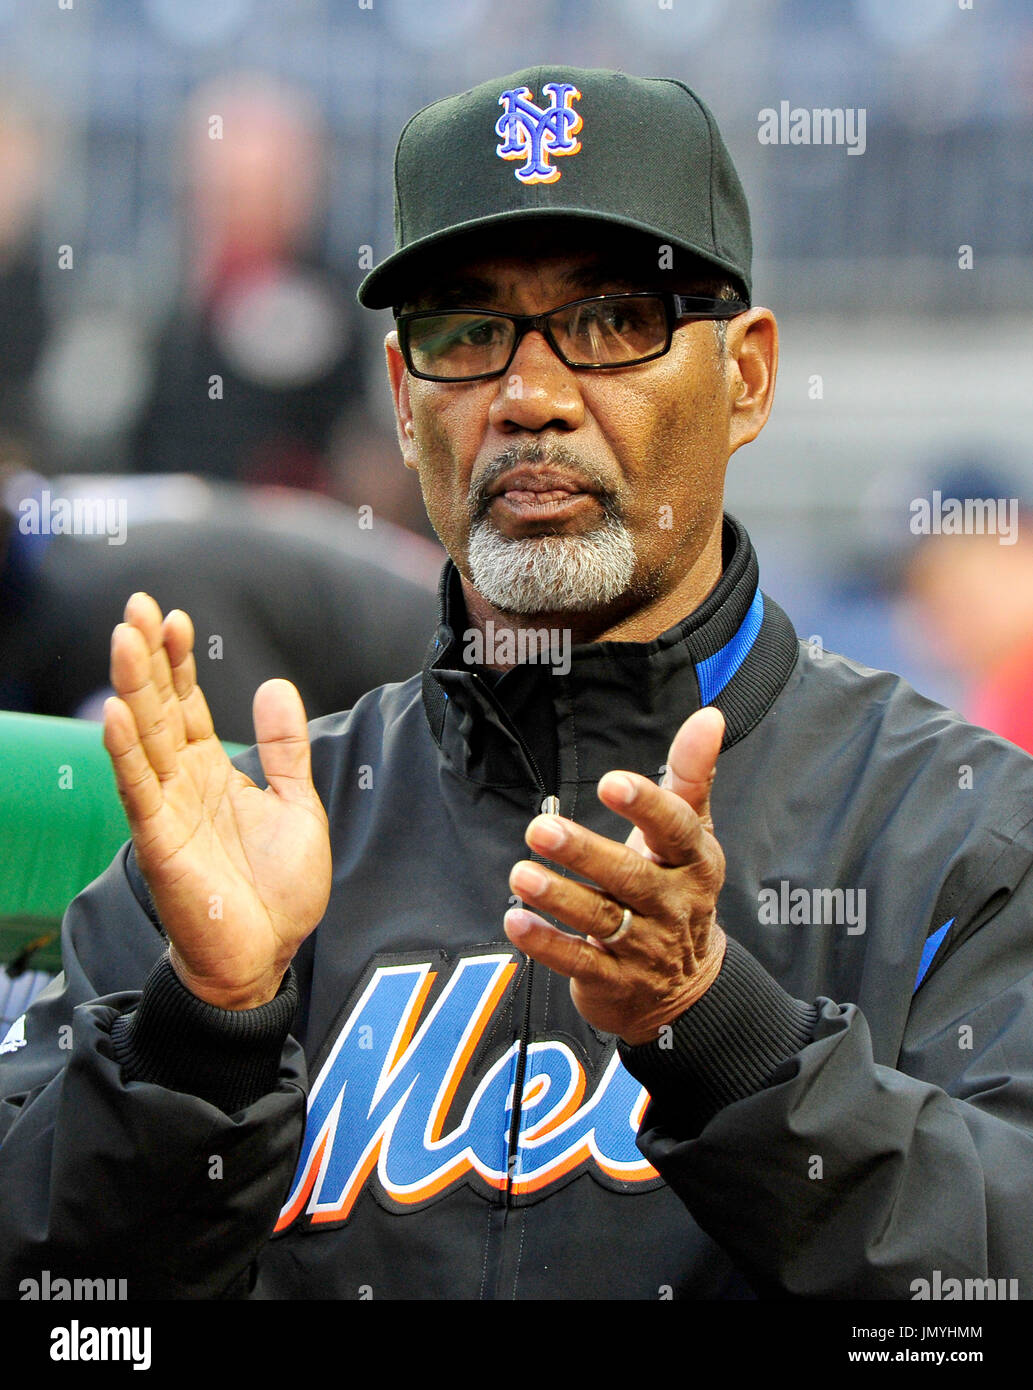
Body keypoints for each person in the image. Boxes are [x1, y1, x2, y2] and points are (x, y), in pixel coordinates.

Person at [3, 66, 1033, 1302]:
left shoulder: (964, 829)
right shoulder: (244, 852)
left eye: (610, 322)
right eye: (464, 331)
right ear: (399, 396)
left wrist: (721, 1037)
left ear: (747, 377)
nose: (528, 397)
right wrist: (207, 1034)